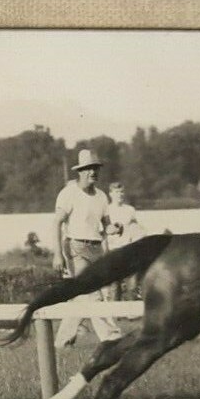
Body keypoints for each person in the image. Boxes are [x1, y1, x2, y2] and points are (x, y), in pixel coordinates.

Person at [52, 149, 118, 347]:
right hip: (75, 247)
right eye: (88, 169)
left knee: (81, 298)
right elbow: (56, 223)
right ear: (79, 172)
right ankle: (112, 338)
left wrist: (115, 228)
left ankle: (62, 342)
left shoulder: (101, 197)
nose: (93, 172)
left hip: (96, 247)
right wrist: (57, 255)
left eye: (95, 168)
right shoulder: (68, 194)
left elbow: (106, 225)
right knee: (93, 294)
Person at [105, 182, 144, 300]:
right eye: (116, 192)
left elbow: (135, 227)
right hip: (113, 250)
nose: (120, 194)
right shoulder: (107, 210)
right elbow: (104, 230)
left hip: (129, 250)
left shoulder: (130, 210)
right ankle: (114, 315)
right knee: (114, 286)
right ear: (111, 194)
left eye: (121, 191)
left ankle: (131, 314)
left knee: (132, 284)